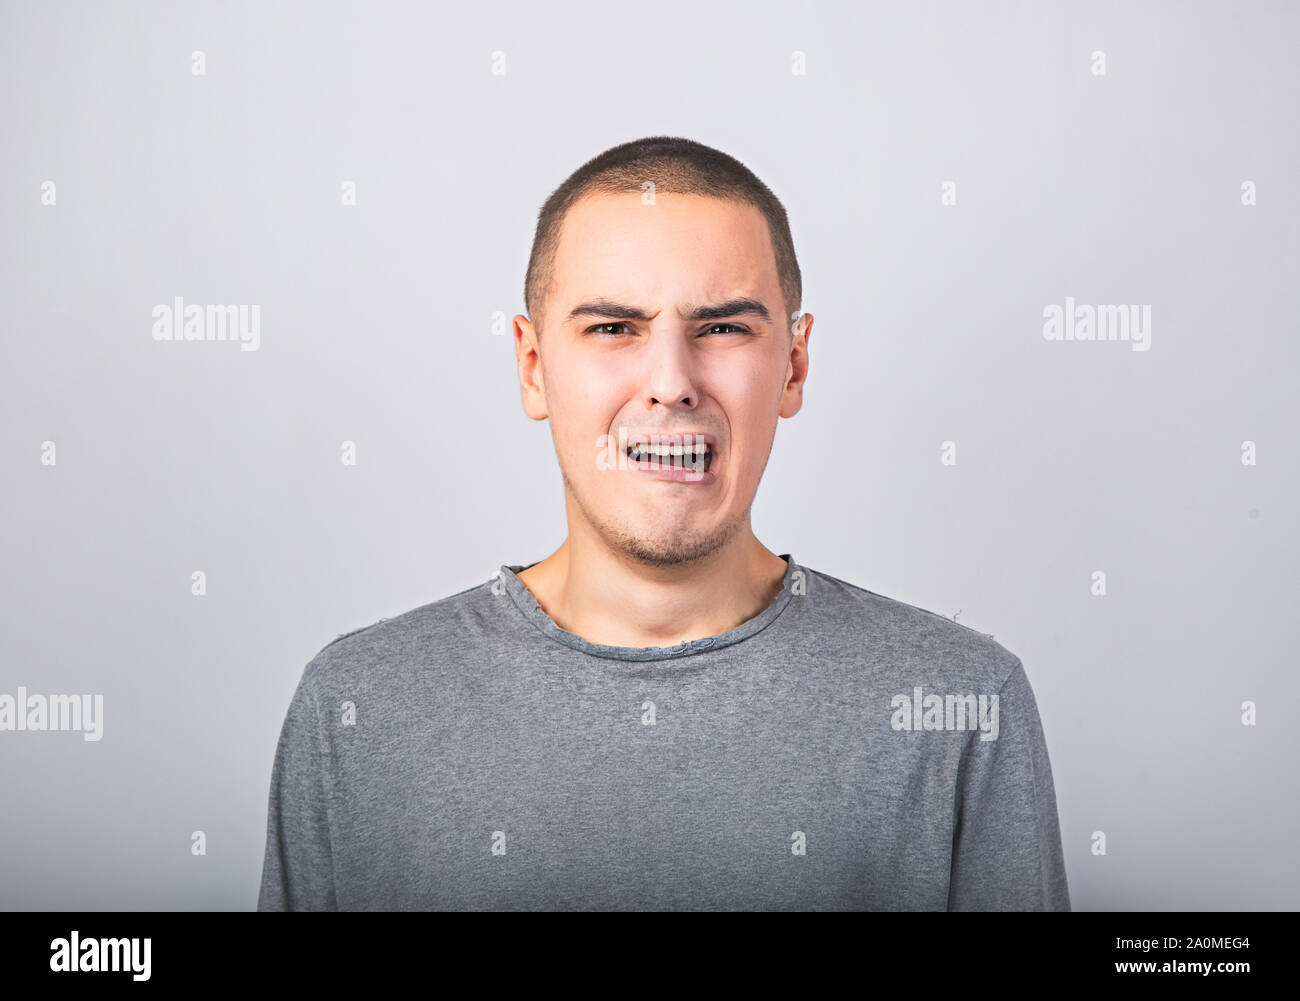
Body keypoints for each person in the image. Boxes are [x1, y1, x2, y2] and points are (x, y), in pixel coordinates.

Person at [257, 136, 1070, 911]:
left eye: (722, 328)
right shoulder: (357, 706)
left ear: (793, 364)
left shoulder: (963, 704)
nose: (671, 381)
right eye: (614, 328)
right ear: (533, 367)